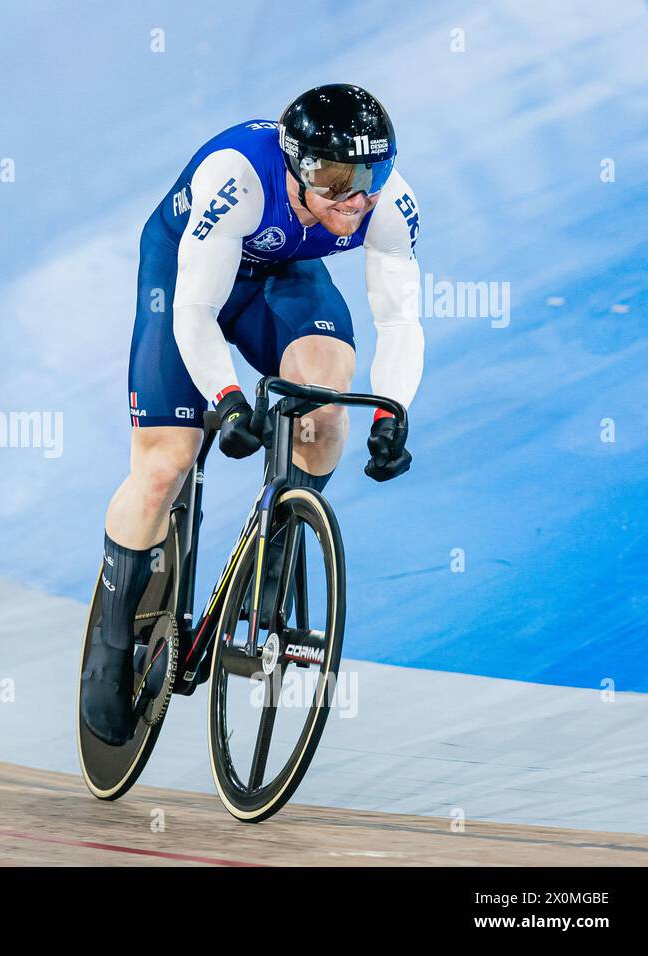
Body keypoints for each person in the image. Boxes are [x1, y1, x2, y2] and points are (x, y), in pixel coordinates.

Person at [82, 84, 422, 745]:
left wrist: (393, 412)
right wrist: (228, 400)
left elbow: (400, 318)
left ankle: (278, 541)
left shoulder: (387, 205)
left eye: (369, 179)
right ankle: (112, 637)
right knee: (165, 464)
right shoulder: (236, 178)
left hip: (281, 277)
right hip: (185, 278)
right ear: (294, 167)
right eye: (333, 181)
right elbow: (194, 312)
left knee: (325, 408)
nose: (355, 200)